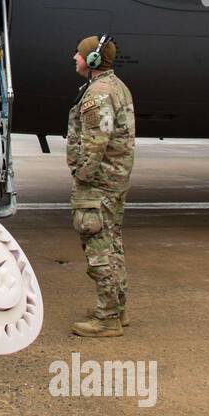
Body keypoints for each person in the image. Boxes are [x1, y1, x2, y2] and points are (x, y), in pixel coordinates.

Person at [67, 35, 135, 338]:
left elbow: (95, 143)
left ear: (93, 60)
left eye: (79, 54)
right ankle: (117, 308)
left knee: (98, 246)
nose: (74, 58)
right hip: (115, 179)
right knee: (113, 243)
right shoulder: (116, 86)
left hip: (98, 183)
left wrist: (82, 176)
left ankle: (106, 318)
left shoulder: (98, 95)